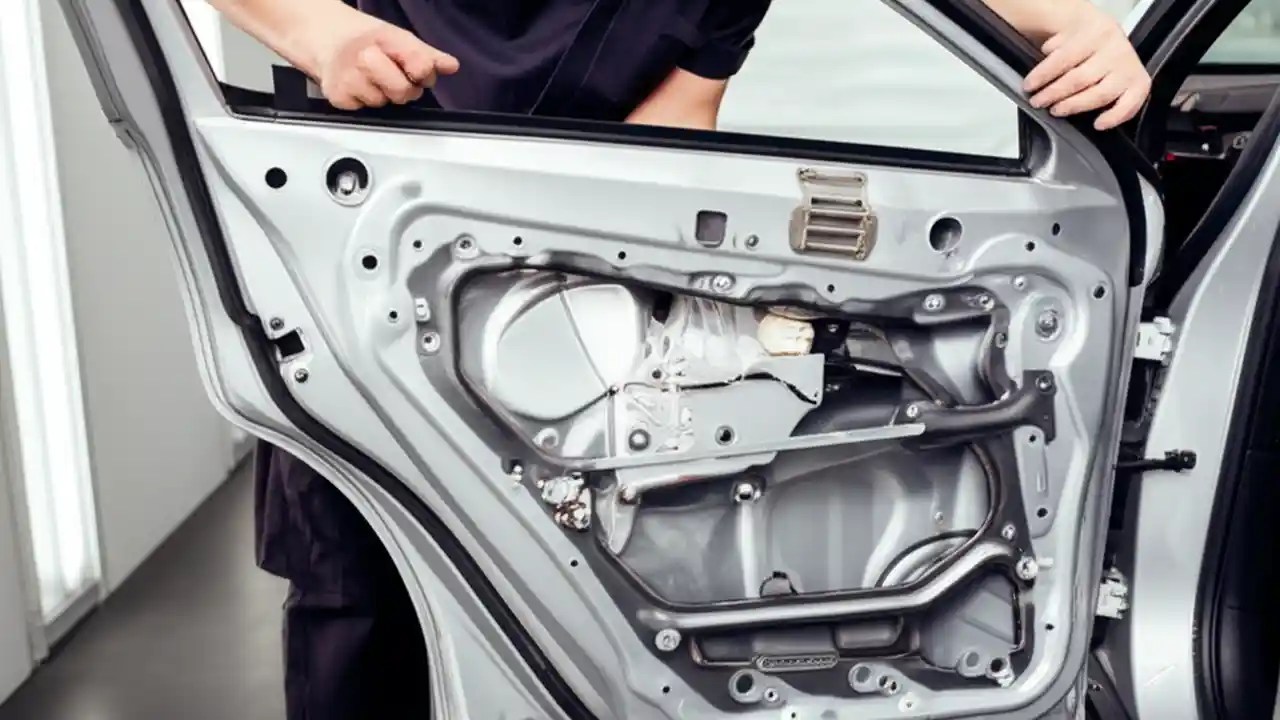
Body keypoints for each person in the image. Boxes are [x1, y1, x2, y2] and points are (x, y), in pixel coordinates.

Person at [207, 0, 1153, 718]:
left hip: (561, 293)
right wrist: (321, 33)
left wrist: (1082, 27)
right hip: (369, 277)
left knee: (571, 609)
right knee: (361, 601)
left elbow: (666, 135)